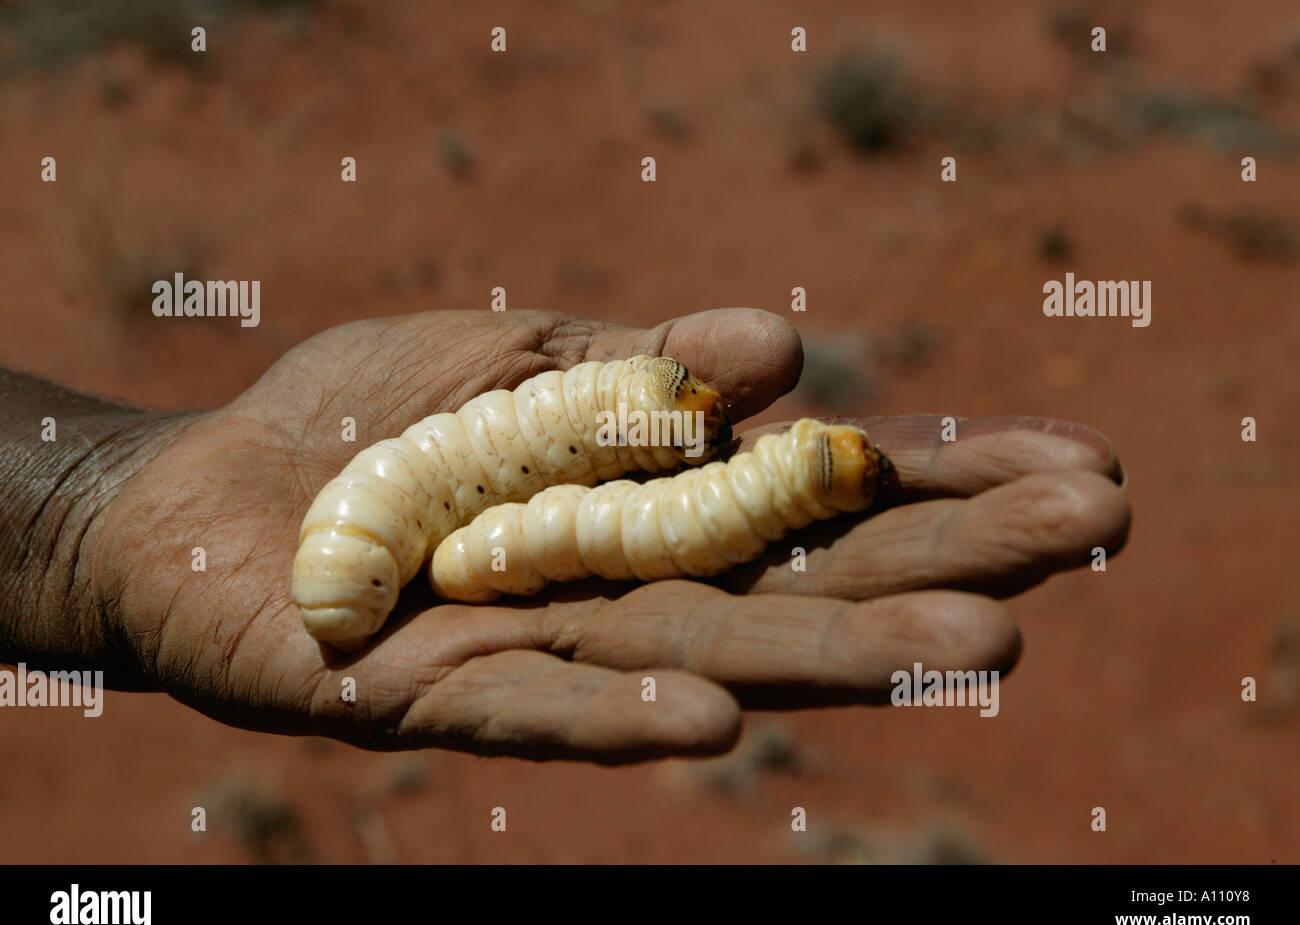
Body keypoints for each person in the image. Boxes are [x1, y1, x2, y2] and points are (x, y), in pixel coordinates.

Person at [0, 307, 1129, 762]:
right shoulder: (388, 525)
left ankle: (799, 478)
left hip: (477, 508)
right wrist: (89, 509)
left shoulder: (471, 487)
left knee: (607, 518)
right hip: (439, 515)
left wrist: (93, 501)